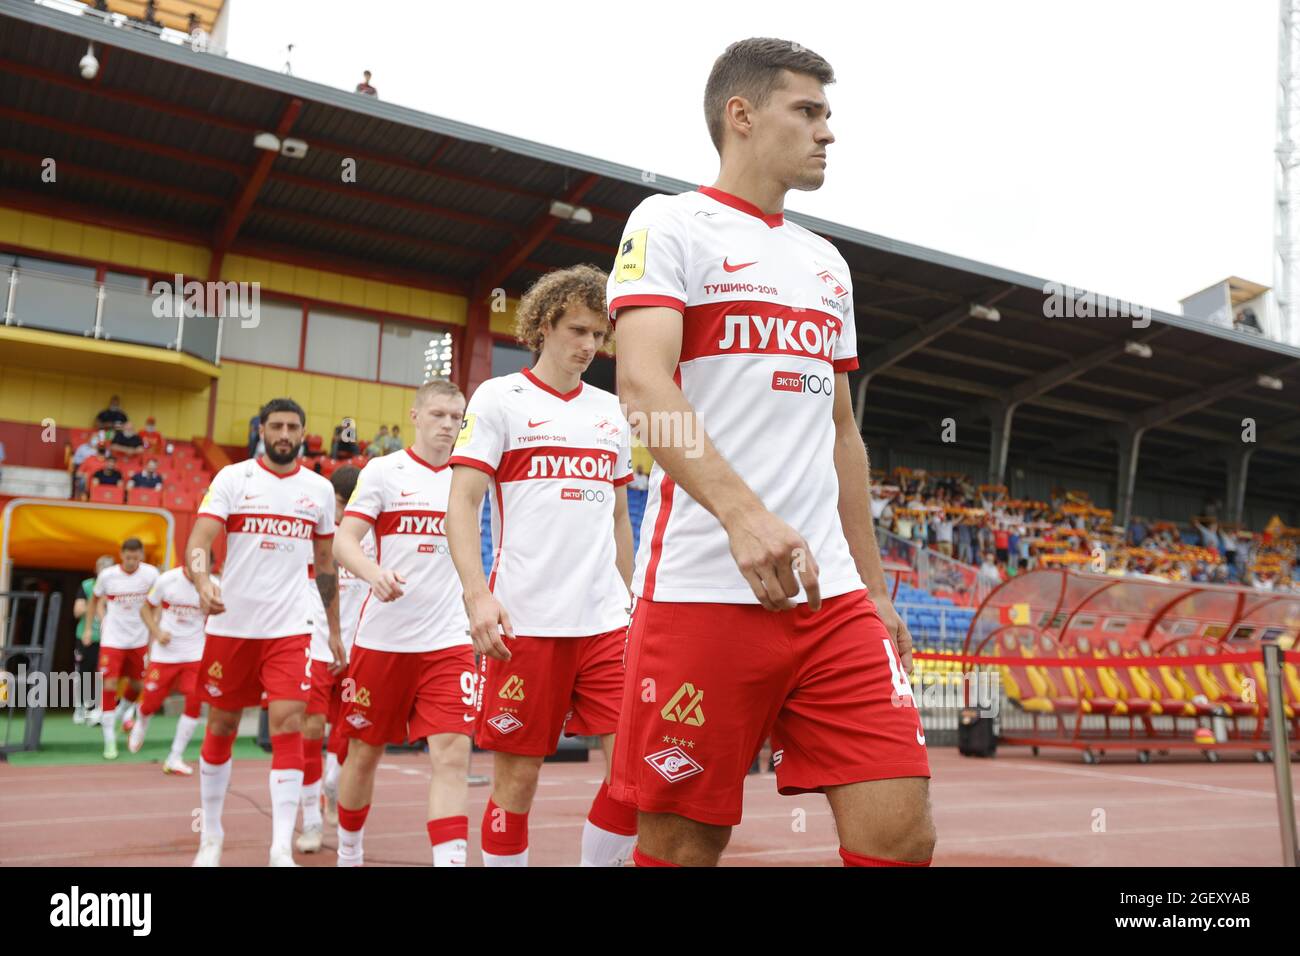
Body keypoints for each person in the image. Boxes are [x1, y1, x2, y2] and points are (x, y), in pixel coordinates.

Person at [605, 38, 934, 867]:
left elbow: (841, 435)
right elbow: (645, 391)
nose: (829, 133)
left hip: (833, 601)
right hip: (702, 588)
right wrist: (744, 518)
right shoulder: (669, 223)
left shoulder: (828, 264)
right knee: (683, 843)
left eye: (830, 116)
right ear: (741, 115)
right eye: (809, 111)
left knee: (900, 835)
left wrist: (876, 586)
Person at [447, 264, 639, 867]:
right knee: (516, 787)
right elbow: (462, 504)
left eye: (599, 335)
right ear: (544, 324)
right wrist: (478, 595)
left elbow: (618, 520)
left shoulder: (612, 412)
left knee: (634, 779)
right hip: (525, 624)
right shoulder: (498, 398)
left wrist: (629, 599)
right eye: (579, 331)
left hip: (605, 621)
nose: (590, 347)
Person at [186, 397, 343, 867]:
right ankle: (210, 836)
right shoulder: (233, 479)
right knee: (222, 725)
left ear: (303, 434)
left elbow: (326, 567)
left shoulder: (318, 490)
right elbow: (198, 543)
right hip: (232, 625)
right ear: (262, 429)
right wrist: (200, 581)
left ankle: (279, 847)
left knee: (289, 726)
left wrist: (333, 631)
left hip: (291, 628)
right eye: (276, 425)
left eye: (293, 427)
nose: (284, 434)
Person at [331, 381, 477, 867]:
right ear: (415, 415)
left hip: (449, 641)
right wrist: (373, 573)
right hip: (384, 640)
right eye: (438, 414)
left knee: (454, 755)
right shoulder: (383, 471)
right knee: (364, 753)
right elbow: (343, 543)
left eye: (456, 418)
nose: (447, 426)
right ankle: (349, 852)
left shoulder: (470, 476)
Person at [296, 465, 371, 855]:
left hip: (362, 648)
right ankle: (310, 819)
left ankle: (331, 780)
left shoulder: (373, 535)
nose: (342, 511)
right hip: (316, 643)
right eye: (339, 503)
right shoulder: (315, 532)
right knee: (309, 727)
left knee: (350, 731)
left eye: (349, 503)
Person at [128, 558, 216, 775]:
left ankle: (175, 757)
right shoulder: (167, 580)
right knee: (150, 702)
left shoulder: (214, 585)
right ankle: (141, 722)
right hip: (165, 653)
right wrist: (157, 633)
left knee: (195, 703)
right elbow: (145, 609)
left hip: (195, 653)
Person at [86, 539, 160, 759]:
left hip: (138, 639)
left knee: (138, 685)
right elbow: (94, 600)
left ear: (142, 556)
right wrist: (90, 628)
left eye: (135, 558)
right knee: (109, 683)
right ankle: (109, 741)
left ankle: (119, 713)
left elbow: (158, 601)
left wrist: (155, 629)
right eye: (128, 558)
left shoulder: (151, 574)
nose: (131, 562)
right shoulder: (108, 575)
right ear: (121, 555)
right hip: (113, 639)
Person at [72, 555, 115, 724]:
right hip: (87, 636)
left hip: (110, 638)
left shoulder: (117, 586)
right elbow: (77, 610)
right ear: (96, 570)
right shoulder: (87, 586)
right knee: (82, 672)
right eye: (102, 570)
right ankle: (80, 708)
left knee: (104, 674)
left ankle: (98, 709)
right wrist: (96, 600)